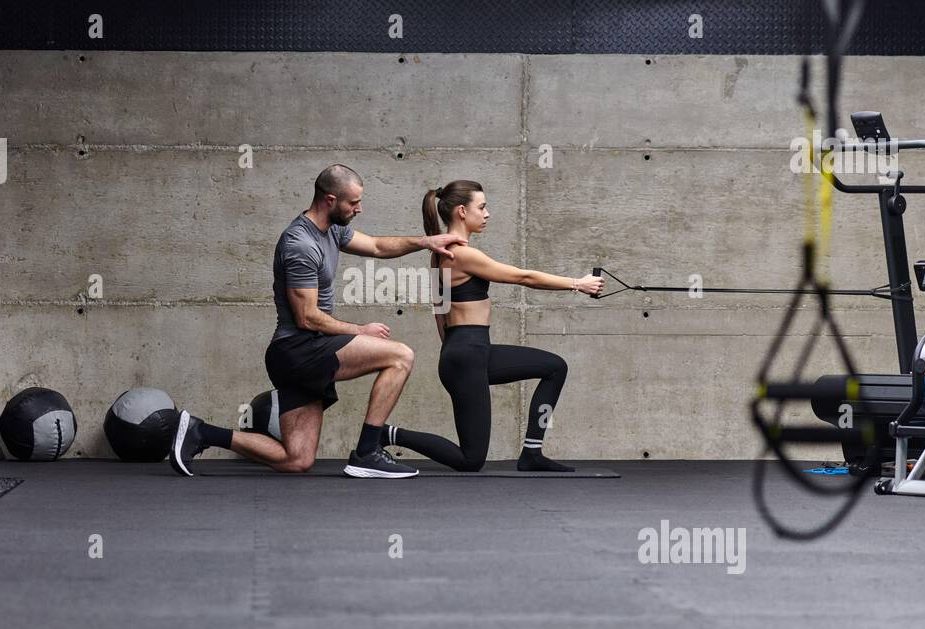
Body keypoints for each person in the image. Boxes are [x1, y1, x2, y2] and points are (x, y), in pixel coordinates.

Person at [170, 164, 465, 478]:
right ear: (329, 199)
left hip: (304, 352)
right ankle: (367, 451)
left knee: (296, 459)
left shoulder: (332, 230)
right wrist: (360, 330)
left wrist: (424, 242)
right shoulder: (300, 244)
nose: (359, 209)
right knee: (400, 356)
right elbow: (307, 317)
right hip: (298, 349)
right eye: (353, 203)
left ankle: (201, 433)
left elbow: (377, 246)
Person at [381, 180, 603, 472]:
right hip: (467, 354)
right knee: (471, 460)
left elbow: (440, 310)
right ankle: (384, 434)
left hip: (468, 352)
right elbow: (523, 277)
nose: (487, 214)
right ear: (462, 211)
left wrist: (452, 352)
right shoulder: (461, 254)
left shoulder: (440, 253)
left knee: (554, 367)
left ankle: (532, 454)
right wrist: (578, 284)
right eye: (482, 207)